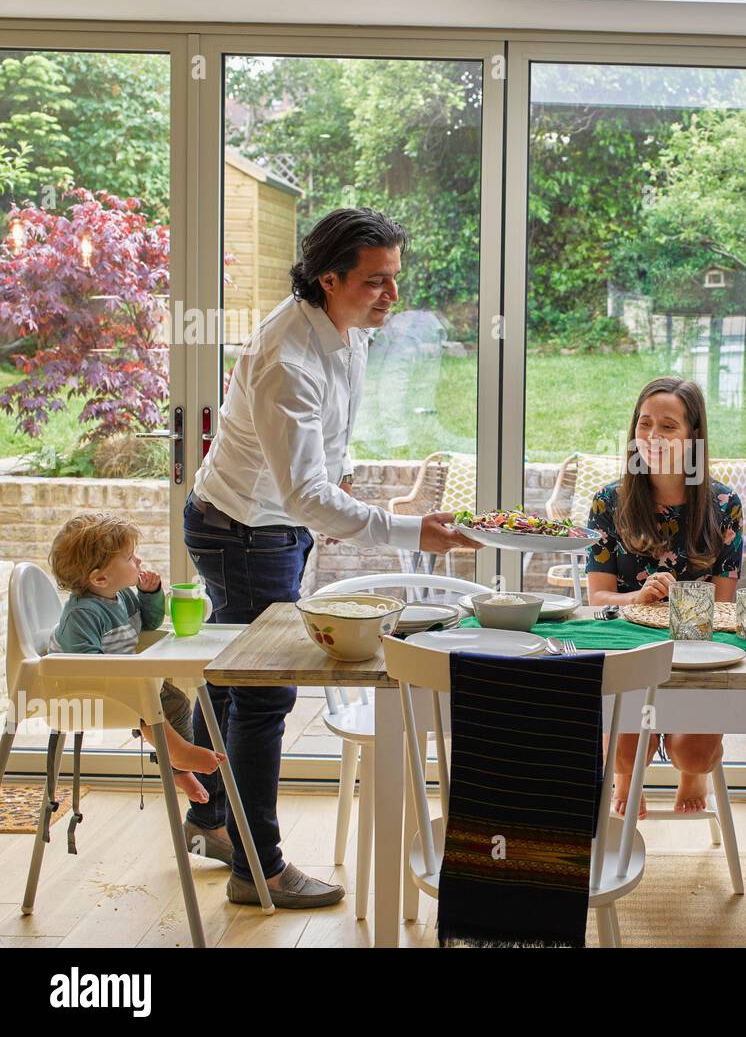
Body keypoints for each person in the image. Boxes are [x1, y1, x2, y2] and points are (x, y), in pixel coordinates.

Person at [183, 207, 481, 909]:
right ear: (328, 278)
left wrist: (335, 493)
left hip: (258, 521)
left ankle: (207, 820)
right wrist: (409, 529)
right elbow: (302, 490)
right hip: (246, 532)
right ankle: (260, 871)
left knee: (229, 678)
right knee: (264, 696)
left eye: (396, 279)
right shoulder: (286, 359)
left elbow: (320, 459)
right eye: (377, 282)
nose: (393, 297)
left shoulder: (342, 329)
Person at [585, 376, 744, 815]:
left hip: (696, 657)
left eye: (668, 427)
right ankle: (625, 777)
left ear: (694, 436)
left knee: (693, 752)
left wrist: (678, 602)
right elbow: (597, 601)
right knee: (621, 754)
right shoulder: (608, 502)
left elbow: (725, 605)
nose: (652, 437)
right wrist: (637, 598)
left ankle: (692, 775)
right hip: (625, 655)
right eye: (644, 424)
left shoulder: (724, 504)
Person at [48, 513, 226, 803]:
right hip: (82, 690)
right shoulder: (82, 615)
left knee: (179, 704)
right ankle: (178, 752)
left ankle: (177, 769)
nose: (139, 562)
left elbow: (150, 623)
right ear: (100, 577)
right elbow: (85, 668)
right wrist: (128, 680)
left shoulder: (122, 595)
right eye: (130, 558)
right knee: (151, 706)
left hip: (125, 680)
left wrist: (149, 594)